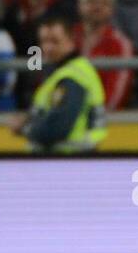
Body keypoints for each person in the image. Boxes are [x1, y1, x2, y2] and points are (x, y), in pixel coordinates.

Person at [14, 13, 107, 153]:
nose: (48, 48)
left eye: (55, 41)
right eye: (44, 41)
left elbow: (57, 127)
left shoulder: (72, 77)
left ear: (71, 40)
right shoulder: (65, 71)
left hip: (69, 160)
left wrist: (24, 128)